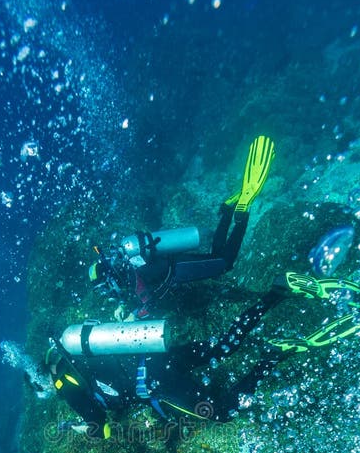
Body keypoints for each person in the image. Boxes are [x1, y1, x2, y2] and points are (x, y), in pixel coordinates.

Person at [45, 270, 360, 439]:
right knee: (226, 345)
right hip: (157, 356)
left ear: (46, 375)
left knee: (223, 411)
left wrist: (79, 426)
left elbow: (100, 427)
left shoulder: (65, 386)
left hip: (157, 382)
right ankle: (277, 292)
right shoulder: (83, 350)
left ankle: (273, 354)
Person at [88, 135, 275, 319]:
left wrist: (134, 315)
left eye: (104, 287)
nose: (106, 292)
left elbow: (151, 304)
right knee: (215, 255)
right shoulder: (125, 264)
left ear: (108, 277)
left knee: (225, 263)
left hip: (179, 269)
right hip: (176, 261)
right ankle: (227, 211)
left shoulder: (128, 276)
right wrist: (123, 304)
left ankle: (243, 210)